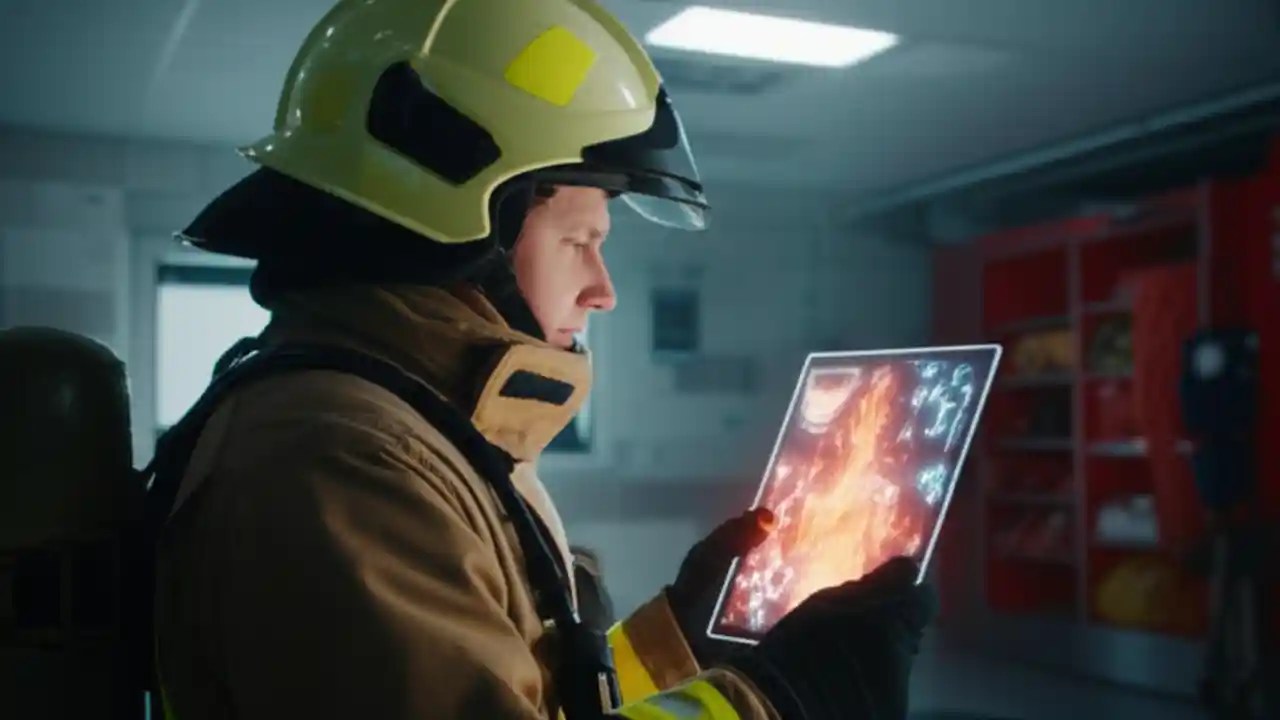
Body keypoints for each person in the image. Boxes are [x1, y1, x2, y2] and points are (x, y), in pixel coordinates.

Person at [151, 0, 936, 718]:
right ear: (459, 226)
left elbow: (525, 694)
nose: (603, 290)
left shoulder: (419, 428)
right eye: (580, 241)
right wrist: (779, 701)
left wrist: (677, 641)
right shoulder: (344, 459)